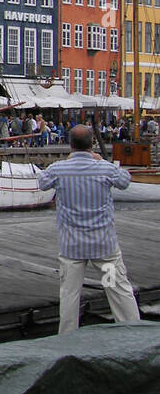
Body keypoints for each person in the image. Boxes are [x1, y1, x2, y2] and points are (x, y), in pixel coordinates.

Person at [36, 124, 141, 335]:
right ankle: (132, 333)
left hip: (72, 247)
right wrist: (102, 160)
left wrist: (67, 162)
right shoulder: (104, 169)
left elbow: (42, 183)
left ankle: (67, 338)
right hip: (103, 247)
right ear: (92, 144)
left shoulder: (58, 170)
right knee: (116, 289)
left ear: (70, 144)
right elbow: (125, 181)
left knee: (70, 294)